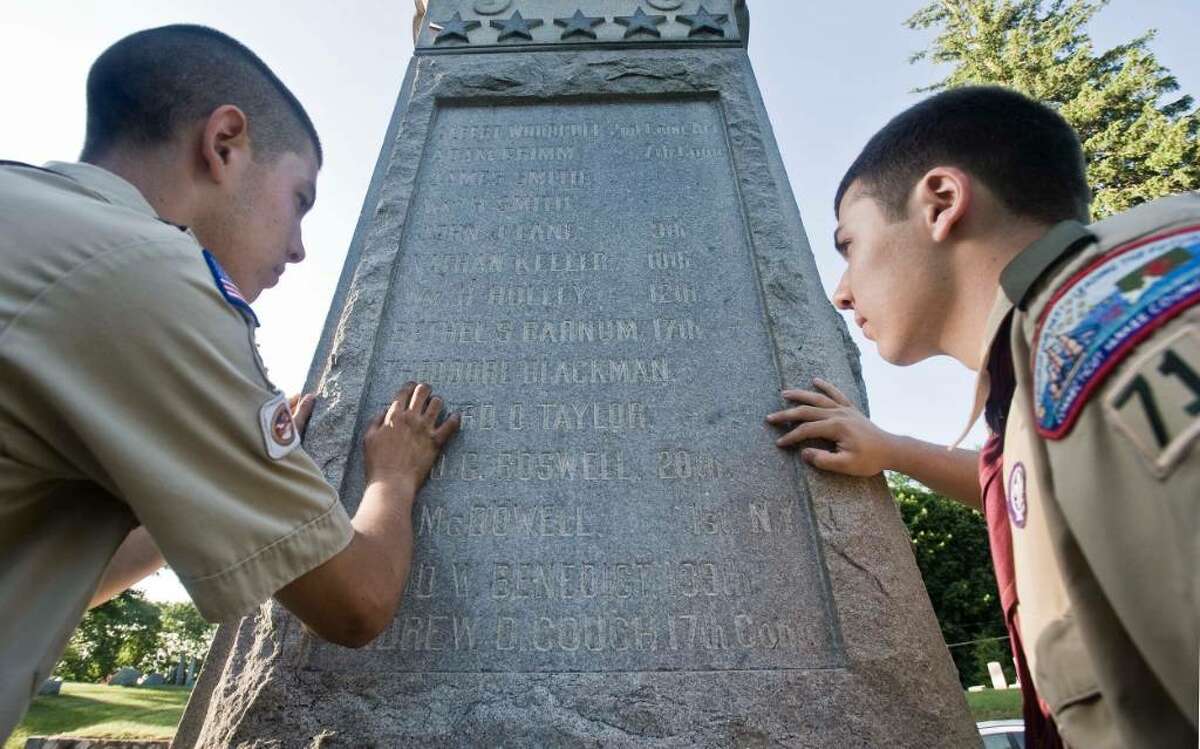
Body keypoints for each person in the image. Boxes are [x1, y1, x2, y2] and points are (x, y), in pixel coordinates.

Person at [0, 25, 460, 740]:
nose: (301, 246)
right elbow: (356, 601)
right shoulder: (149, 278)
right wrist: (393, 475)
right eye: (300, 198)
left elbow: (62, 578)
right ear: (224, 144)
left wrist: (215, 488)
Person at [768, 86, 1198, 747]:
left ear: (941, 203)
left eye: (849, 244)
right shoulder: (1064, 359)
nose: (842, 289)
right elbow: (1052, 486)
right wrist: (893, 450)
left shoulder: (1135, 336)